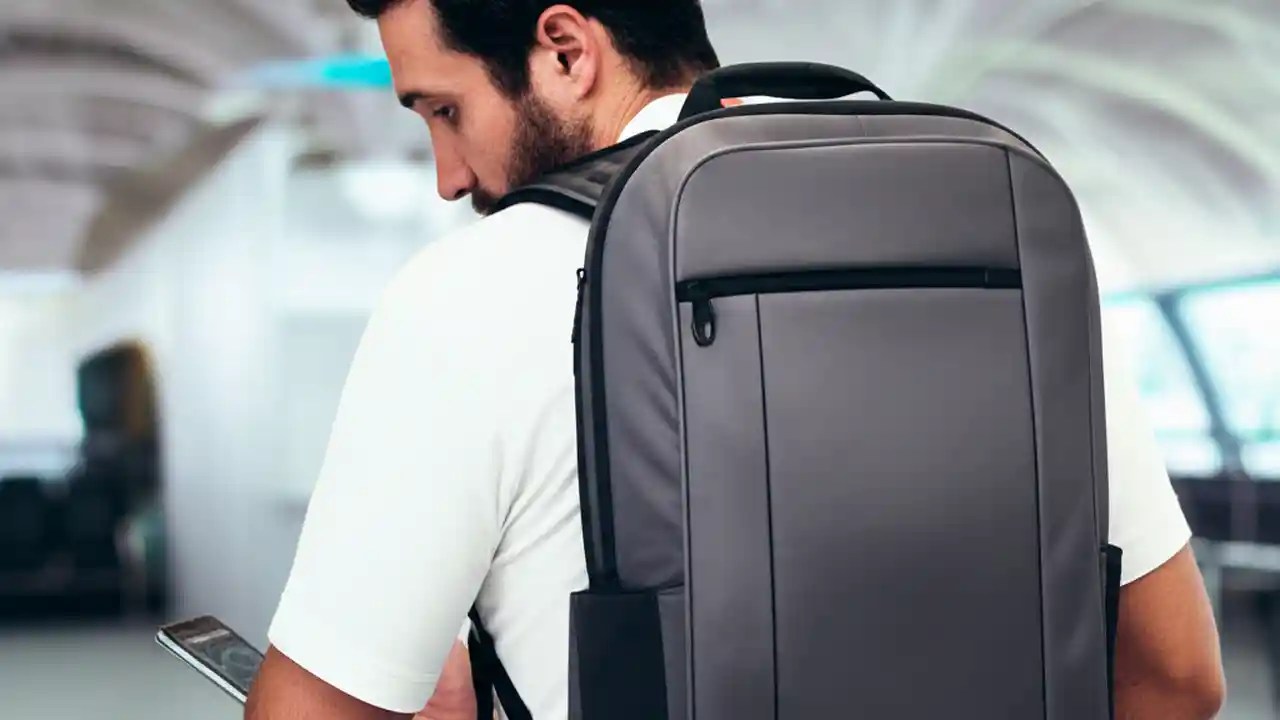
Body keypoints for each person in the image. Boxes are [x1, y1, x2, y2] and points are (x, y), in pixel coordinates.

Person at [245, 2, 1225, 719]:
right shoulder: (1007, 235)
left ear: (565, 50)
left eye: (442, 111)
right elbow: (1176, 679)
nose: (448, 176)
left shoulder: (464, 292)